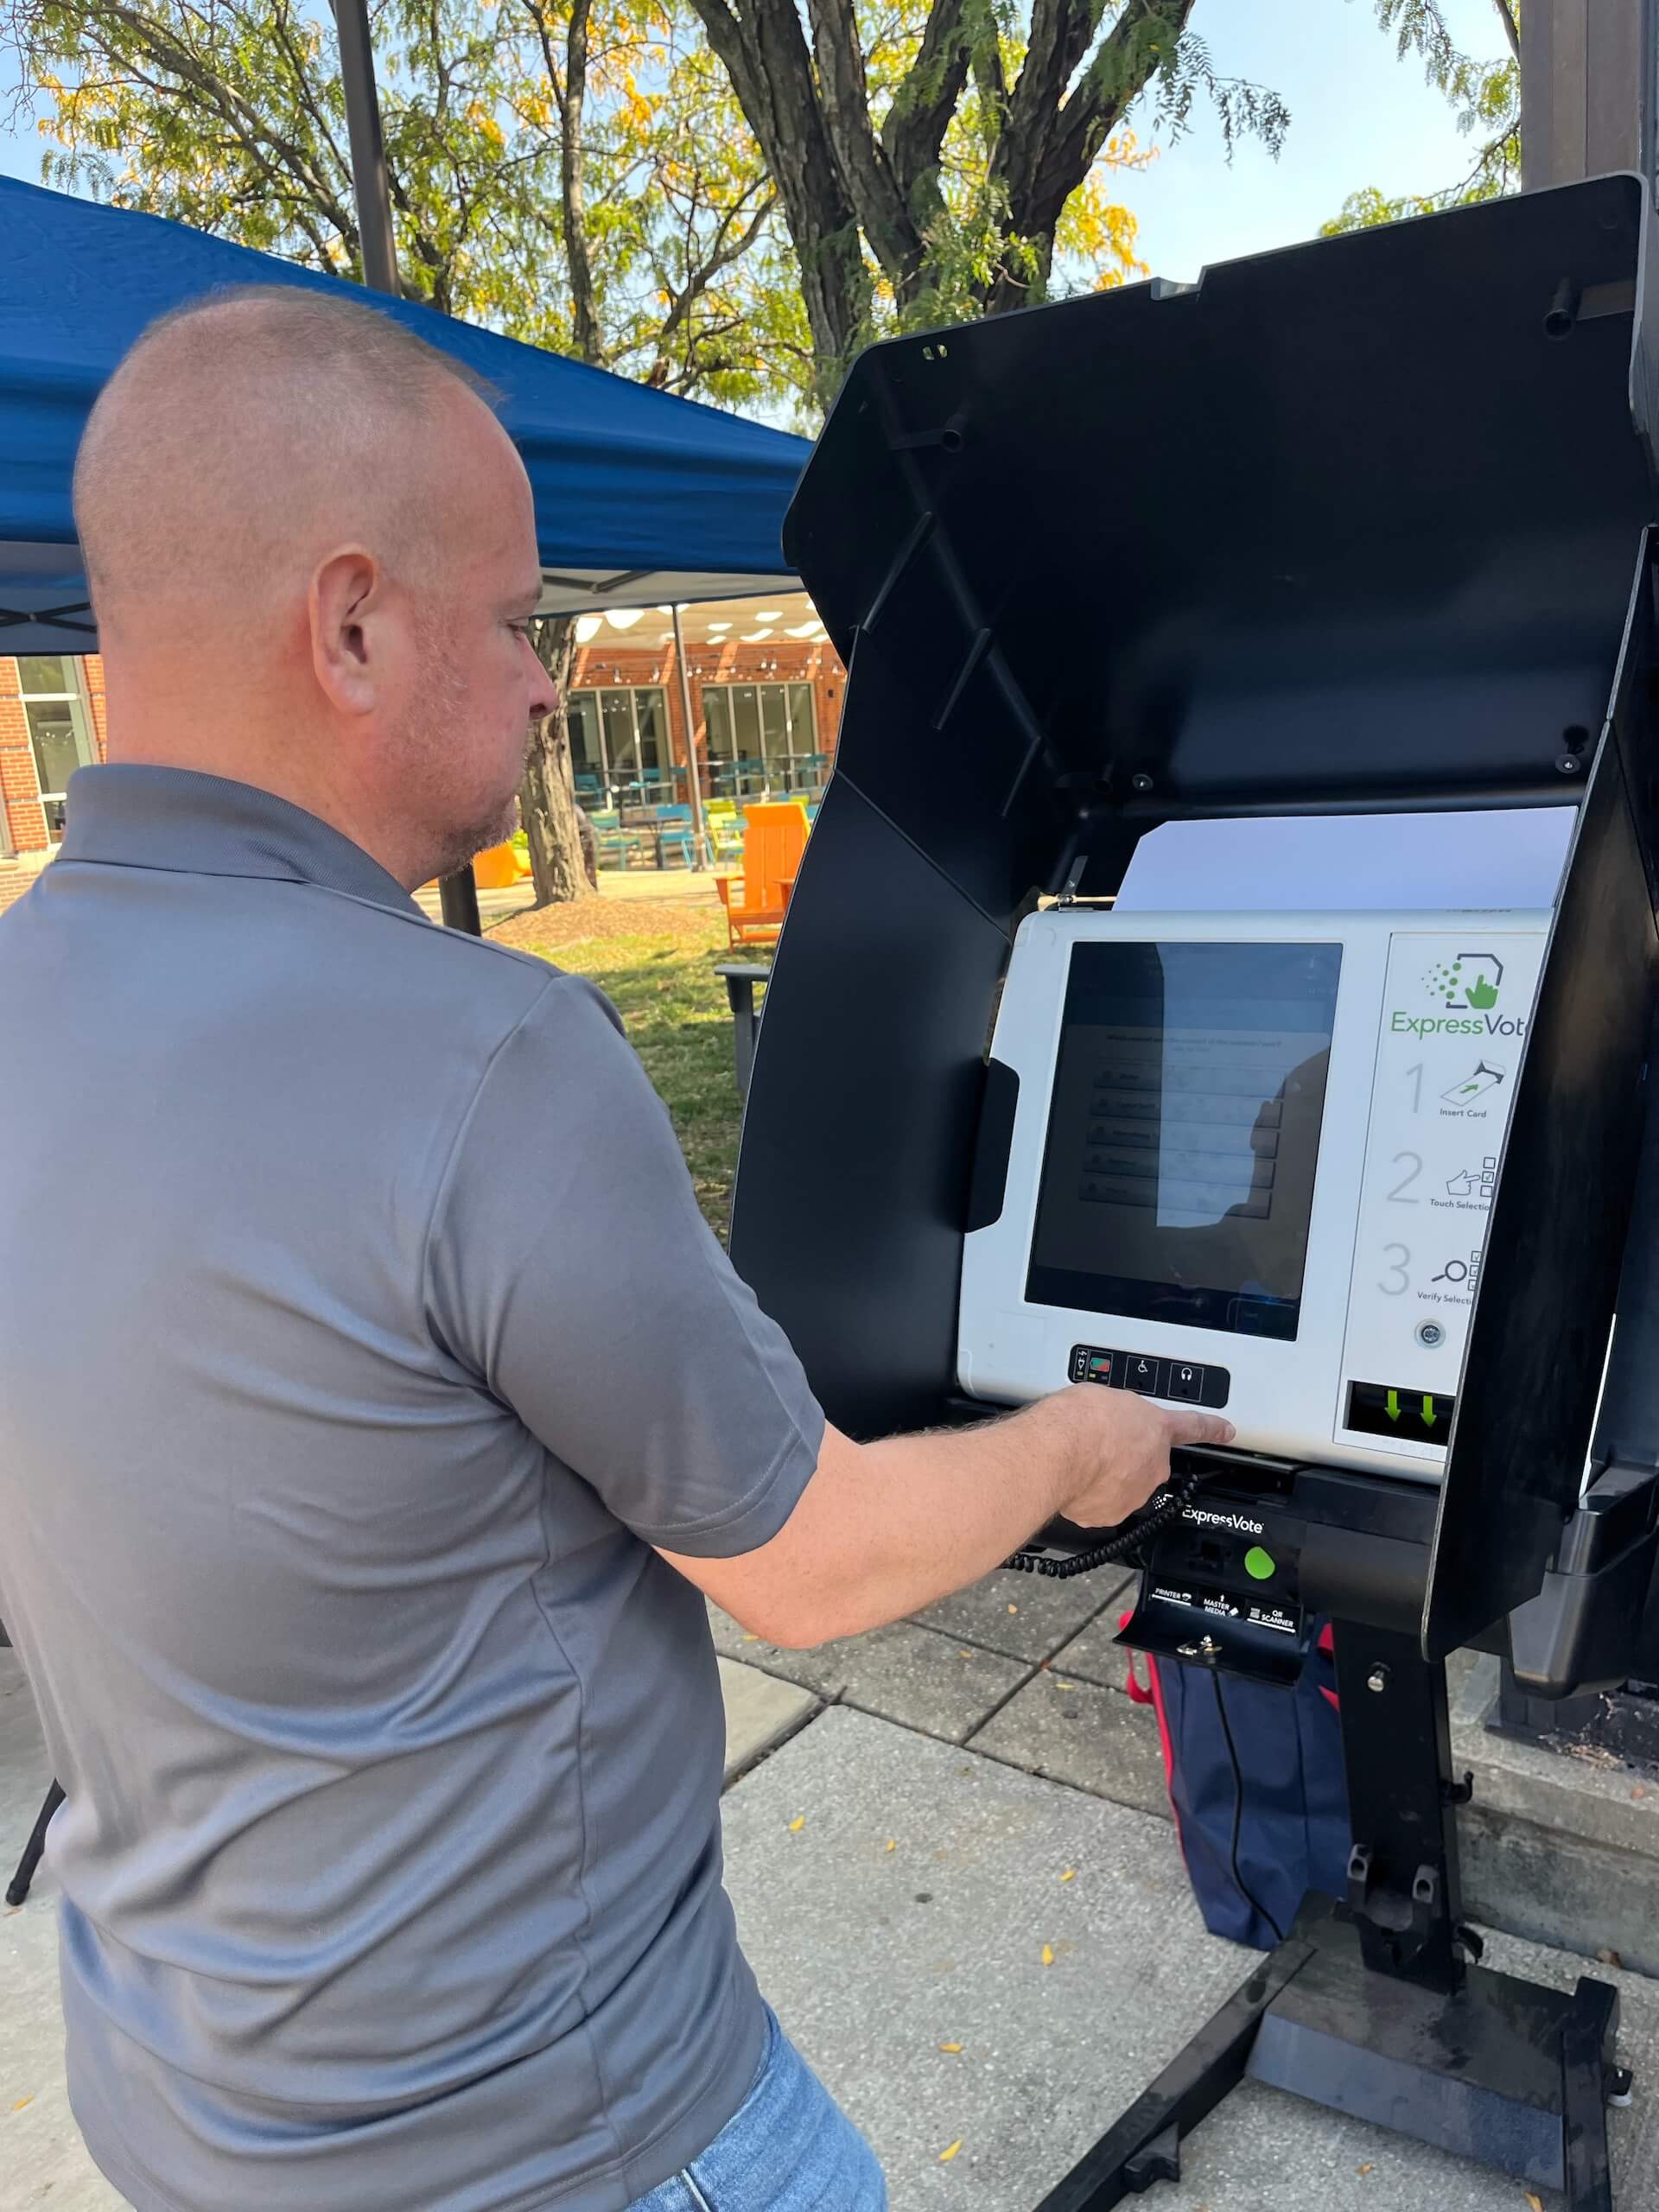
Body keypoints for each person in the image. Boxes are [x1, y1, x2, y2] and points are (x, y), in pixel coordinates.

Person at [0, 287, 1230, 2212]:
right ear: (349, 623)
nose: (548, 678)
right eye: (520, 621)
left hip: (181, 2113)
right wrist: (1081, 1446)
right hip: (568, 2144)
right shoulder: (482, 1055)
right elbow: (810, 1564)